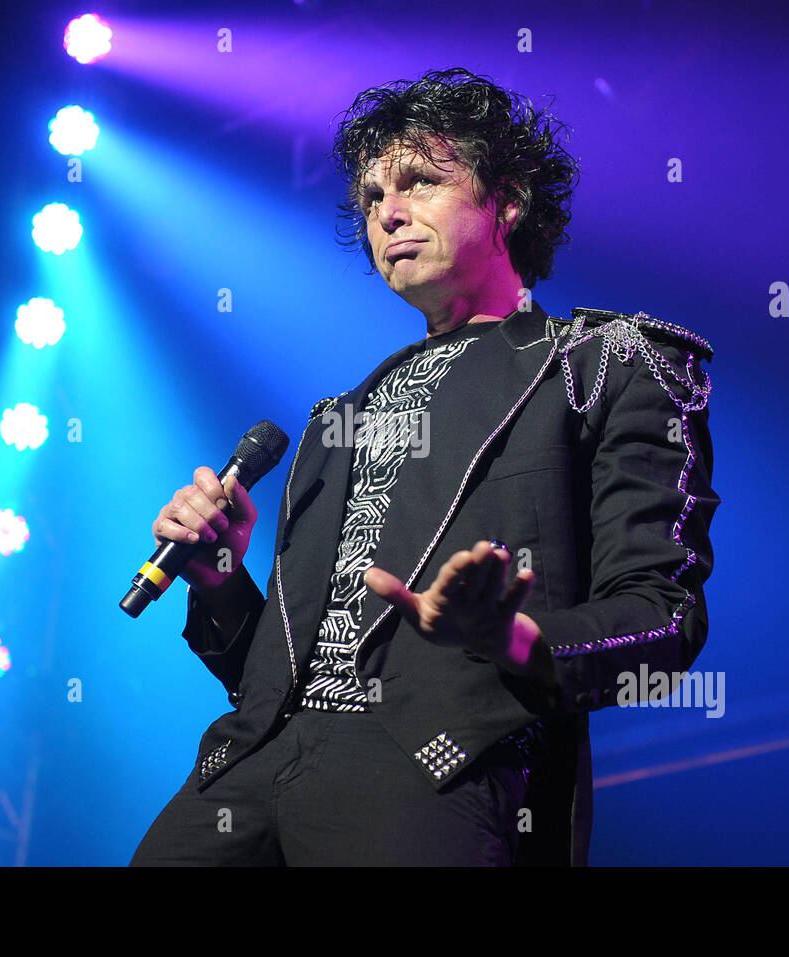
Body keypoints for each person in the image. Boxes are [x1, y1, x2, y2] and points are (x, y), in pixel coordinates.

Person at [129, 67, 719, 866]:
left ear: (505, 202)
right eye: (372, 197)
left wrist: (512, 636)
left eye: (420, 182)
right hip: (249, 767)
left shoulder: (606, 363)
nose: (388, 212)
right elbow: (266, 678)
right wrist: (221, 576)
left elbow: (663, 617)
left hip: (432, 766)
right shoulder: (338, 417)